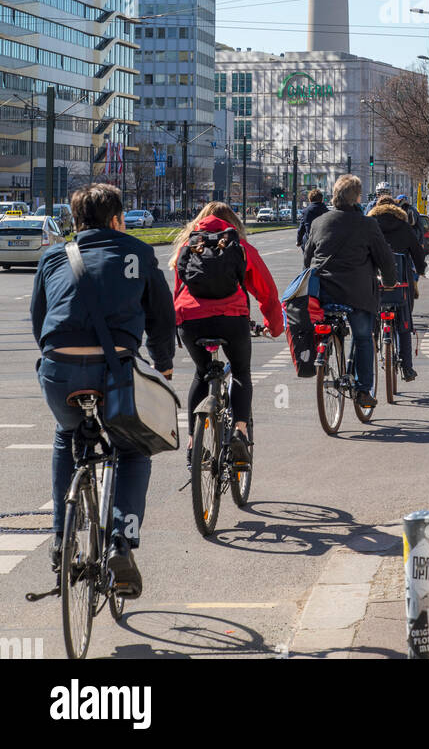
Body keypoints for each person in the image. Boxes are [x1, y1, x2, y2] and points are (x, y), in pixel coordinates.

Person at [30, 183, 175, 597]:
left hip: (60, 372)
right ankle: (120, 543)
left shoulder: (54, 256)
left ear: (76, 221)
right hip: (114, 374)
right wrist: (163, 362)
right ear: (117, 219)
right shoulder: (138, 253)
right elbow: (161, 316)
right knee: (132, 449)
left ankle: (62, 540)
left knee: (66, 437)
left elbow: (40, 321)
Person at [170, 201, 284, 467]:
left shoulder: (189, 245)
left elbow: (178, 291)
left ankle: (192, 445)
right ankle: (239, 432)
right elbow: (266, 292)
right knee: (241, 371)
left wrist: (178, 323)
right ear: (233, 222)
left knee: (201, 373)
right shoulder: (239, 246)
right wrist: (274, 327)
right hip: (231, 319)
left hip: (191, 320)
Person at [303, 174, 396, 409]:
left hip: (323, 292)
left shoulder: (319, 222)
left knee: (328, 326)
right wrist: (389, 281)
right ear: (357, 198)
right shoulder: (368, 224)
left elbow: (307, 259)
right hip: (358, 293)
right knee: (363, 337)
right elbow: (385, 259)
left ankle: (326, 350)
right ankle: (364, 390)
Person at [367, 195, 427, 380]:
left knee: (370, 318)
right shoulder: (403, 225)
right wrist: (421, 268)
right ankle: (407, 368)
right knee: (405, 322)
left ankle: (371, 353)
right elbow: (417, 251)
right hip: (401, 282)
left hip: (375, 283)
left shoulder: (370, 225)